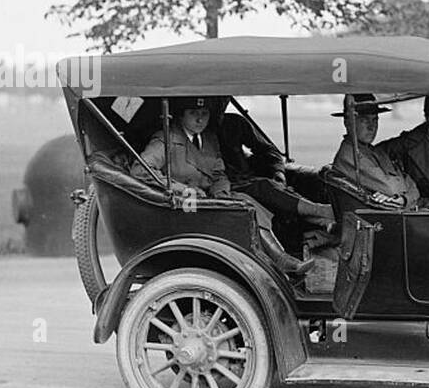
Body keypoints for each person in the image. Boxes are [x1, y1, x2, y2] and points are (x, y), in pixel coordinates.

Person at [131, 97, 311, 277]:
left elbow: (218, 174)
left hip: (208, 199)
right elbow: (141, 169)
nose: (200, 119)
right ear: (181, 116)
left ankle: (279, 258)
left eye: (204, 114)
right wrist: (181, 189)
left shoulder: (208, 138)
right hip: (185, 205)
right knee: (241, 208)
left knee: (247, 203)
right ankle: (275, 261)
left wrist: (223, 194)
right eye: (193, 113)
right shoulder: (166, 139)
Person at [218, 109, 336, 236]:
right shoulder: (203, 137)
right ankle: (320, 214)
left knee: (277, 188)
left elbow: (268, 151)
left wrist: (278, 173)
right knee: (264, 189)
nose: (200, 118)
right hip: (223, 188)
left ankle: (321, 220)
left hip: (244, 180)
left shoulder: (233, 123)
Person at [330, 94, 420, 208]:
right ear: (347, 122)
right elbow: (391, 189)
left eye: (375, 119)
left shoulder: (373, 151)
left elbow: (412, 186)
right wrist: (405, 197)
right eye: (364, 120)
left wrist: (402, 199)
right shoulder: (351, 156)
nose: (371, 127)